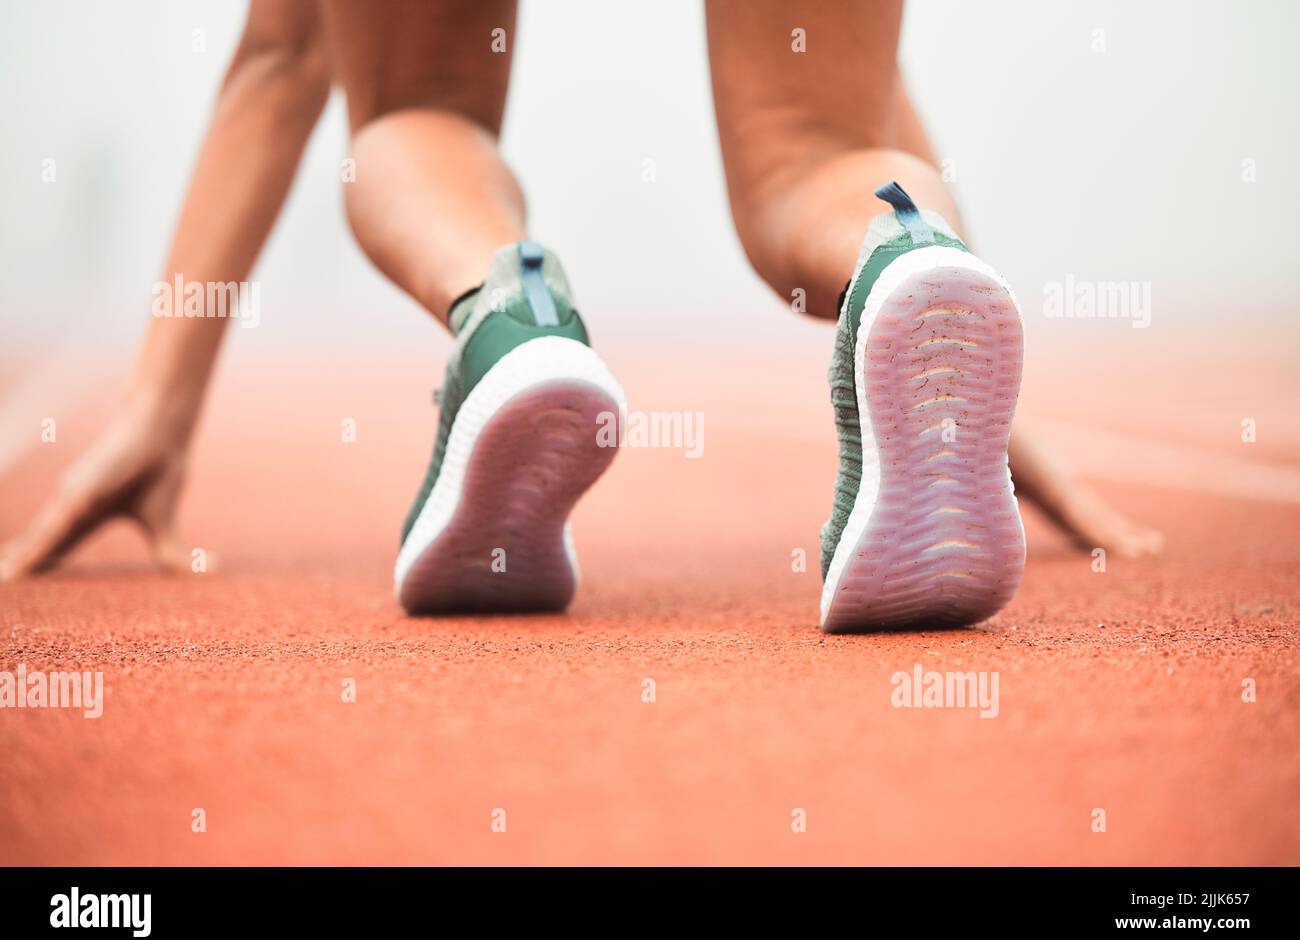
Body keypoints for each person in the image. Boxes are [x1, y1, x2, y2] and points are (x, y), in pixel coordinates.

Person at [0, 0, 1162, 630]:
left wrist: (158, 407)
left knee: (416, 111)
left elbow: (282, 48)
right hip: (897, 214)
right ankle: (902, 250)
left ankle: (513, 315)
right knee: (813, 144)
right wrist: (922, 304)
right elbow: (851, 101)